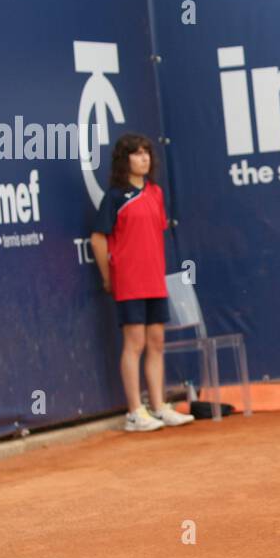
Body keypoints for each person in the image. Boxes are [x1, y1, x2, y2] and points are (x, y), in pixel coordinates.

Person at [90, 134, 195, 432]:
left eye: (146, 153)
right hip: (129, 280)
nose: (144, 158)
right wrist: (108, 276)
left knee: (156, 343)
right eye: (136, 154)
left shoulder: (156, 193)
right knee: (134, 343)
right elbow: (98, 238)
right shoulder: (114, 197)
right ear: (125, 161)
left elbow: (156, 234)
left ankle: (159, 407)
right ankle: (135, 412)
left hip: (154, 280)